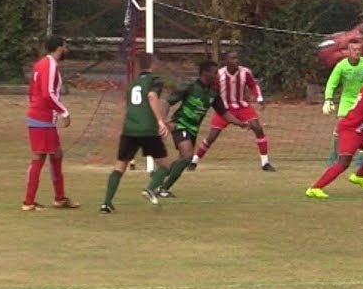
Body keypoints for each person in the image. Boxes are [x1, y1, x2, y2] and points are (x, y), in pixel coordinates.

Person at [157, 60, 247, 197]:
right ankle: (163, 189)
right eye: (215, 73)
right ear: (205, 73)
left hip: (193, 130)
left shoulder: (213, 94)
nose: (218, 75)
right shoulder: (190, 87)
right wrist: (162, 121)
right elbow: (166, 102)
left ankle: (160, 174)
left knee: (183, 160)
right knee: (188, 157)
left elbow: (224, 113)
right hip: (180, 124)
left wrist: (240, 123)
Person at [100, 52, 173, 212]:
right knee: (165, 166)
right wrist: (160, 121)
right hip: (148, 130)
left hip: (130, 129)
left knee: (120, 166)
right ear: (153, 64)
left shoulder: (132, 84)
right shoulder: (155, 81)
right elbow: (152, 96)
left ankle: (106, 203)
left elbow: (132, 106)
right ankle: (150, 189)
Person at [190, 51, 275, 171]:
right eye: (233, 58)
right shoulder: (219, 74)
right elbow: (213, 89)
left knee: (257, 128)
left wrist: (259, 97)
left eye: (237, 58)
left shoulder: (245, 72)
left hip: (242, 106)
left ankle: (265, 162)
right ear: (226, 61)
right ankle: (194, 161)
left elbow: (253, 85)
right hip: (224, 108)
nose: (236, 61)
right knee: (212, 136)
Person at [23, 35, 80, 210]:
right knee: (40, 156)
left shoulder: (40, 64)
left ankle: (59, 197)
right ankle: (29, 202)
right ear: (59, 48)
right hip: (43, 117)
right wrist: (64, 112)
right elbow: (48, 93)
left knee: (56, 154)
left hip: (39, 115)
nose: (66, 50)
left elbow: (33, 91)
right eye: (65, 46)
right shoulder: (50, 65)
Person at [320, 38, 363, 166]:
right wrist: (328, 99)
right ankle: (335, 155)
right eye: (354, 50)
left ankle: (361, 157)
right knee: (340, 127)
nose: (357, 52)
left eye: (359, 50)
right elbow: (331, 83)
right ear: (348, 51)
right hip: (347, 100)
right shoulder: (341, 66)